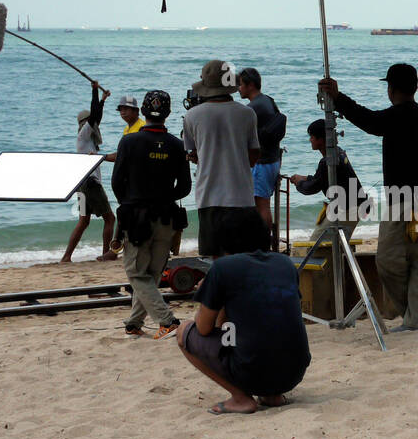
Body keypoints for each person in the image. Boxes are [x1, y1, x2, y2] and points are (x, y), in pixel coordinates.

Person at [325, 64, 418, 332]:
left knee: (387, 259)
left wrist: (339, 99)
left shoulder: (399, 115)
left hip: (405, 199)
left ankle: (411, 312)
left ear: (391, 89)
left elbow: (369, 121)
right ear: (416, 87)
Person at [177, 208, 311, 415]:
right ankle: (272, 396)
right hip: (294, 372)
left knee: (184, 330)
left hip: (253, 371)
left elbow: (204, 329)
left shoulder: (223, 268)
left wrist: (210, 294)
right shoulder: (284, 263)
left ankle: (240, 398)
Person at [111, 90, 190, 338]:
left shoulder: (129, 142)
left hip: (136, 219)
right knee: (152, 274)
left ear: (143, 112)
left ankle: (167, 322)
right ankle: (134, 323)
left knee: (136, 273)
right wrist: (164, 197)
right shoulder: (177, 145)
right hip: (166, 217)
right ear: (167, 114)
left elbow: (116, 182)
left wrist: (130, 201)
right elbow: (185, 187)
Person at [181, 59, 260, 257]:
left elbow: (193, 153)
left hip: (209, 197)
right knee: (242, 257)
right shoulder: (247, 114)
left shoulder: (192, 116)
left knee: (214, 260)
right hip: (242, 198)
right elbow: (253, 155)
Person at [289, 118, 370, 245]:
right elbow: (321, 178)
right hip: (357, 205)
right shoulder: (338, 152)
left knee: (316, 245)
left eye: (312, 137)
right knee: (334, 246)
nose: (310, 140)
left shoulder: (328, 161)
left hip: (348, 208)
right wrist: (305, 178)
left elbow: (311, 188)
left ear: (321, 140)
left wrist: (299, 183)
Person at [60, 81, 116, 263]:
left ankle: (67, 256)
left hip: (81, 185)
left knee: (84, 221)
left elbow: (96, 116)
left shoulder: (86, 140)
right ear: (85, 123)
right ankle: (106, 253)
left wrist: (103, 99)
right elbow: (95, 117)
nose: (96, 124)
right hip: (90, 184)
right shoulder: (84, 134)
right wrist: (94, 92)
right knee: (110, 218)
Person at [236, 67, 287, 241]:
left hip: (262, 163)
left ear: (250, 85)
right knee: (263, 203)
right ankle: (263, 240)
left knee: (261, 205)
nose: (238, 88)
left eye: (240, 84)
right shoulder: (268, 101)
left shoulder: (252, 108)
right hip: (272, 159)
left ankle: (263, 242)